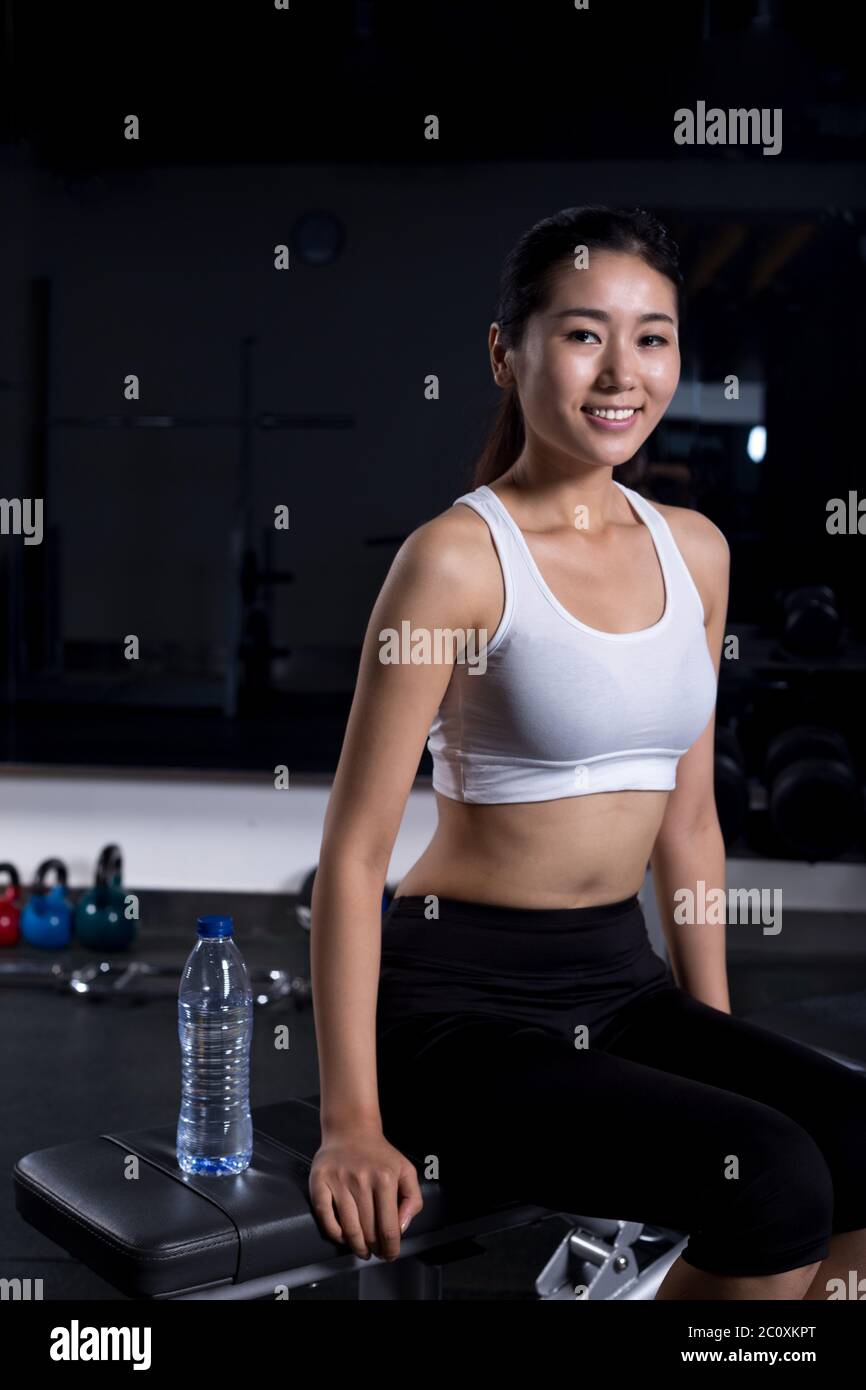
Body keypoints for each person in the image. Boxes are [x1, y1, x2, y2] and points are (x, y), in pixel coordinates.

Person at [308, 206, 866, 1300]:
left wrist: (709, 1038)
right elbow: (353, 853)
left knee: (851, 1143)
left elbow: (689, 818)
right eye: (580, 334)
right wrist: (351, 1122)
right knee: (774, 1185)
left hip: (621, 985)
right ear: (502, 351)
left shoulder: (692, 550)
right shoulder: (454, 561)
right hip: (457, 1012)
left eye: (651, 336)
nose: (622, 371)